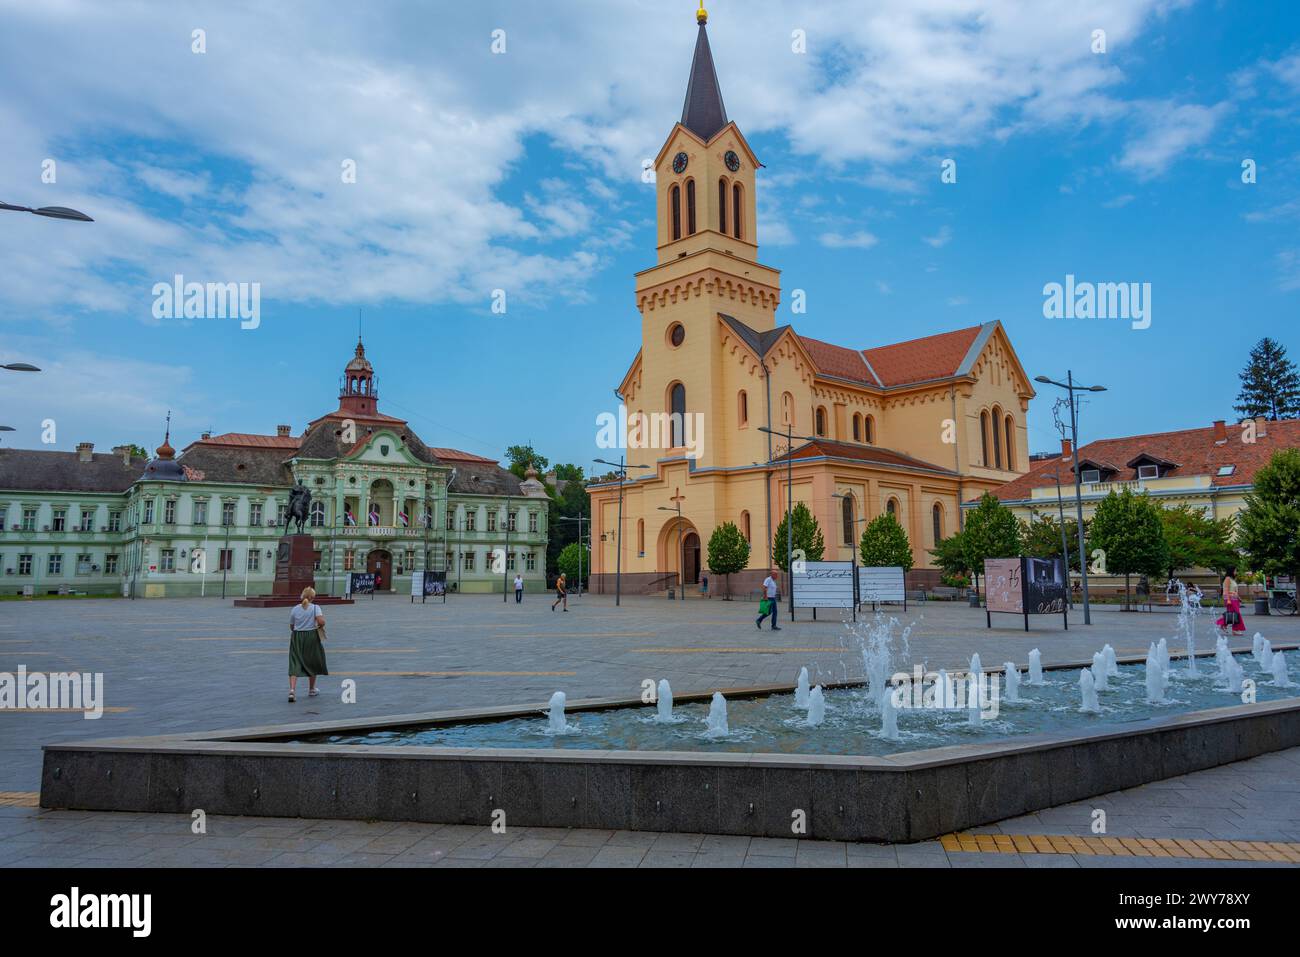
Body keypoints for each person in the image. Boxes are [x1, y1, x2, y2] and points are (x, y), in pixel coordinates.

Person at [288, 586, 328, 703]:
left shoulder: (295, 609)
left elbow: (292, 626)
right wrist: (320, 625)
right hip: (311, 636)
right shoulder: (315, 608)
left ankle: (292, 690)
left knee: (294, 662)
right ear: (313, 597)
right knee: (313, 661)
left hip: (297, 637)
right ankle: (311, 689)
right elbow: (321, 621)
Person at [1216, 567, 1245, 635]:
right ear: (1231, 571)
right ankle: (1235, 630)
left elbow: (1234, 590)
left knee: (1233, 614)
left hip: (1234, 599)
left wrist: (1239, 598)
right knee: (1236, 614)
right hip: (1230, 599)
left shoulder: (1232, 579)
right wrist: (1228, 600)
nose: (1236, 572)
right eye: (1235, 571)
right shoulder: (1228, 579)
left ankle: (1223, 625)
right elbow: (1226, 590)